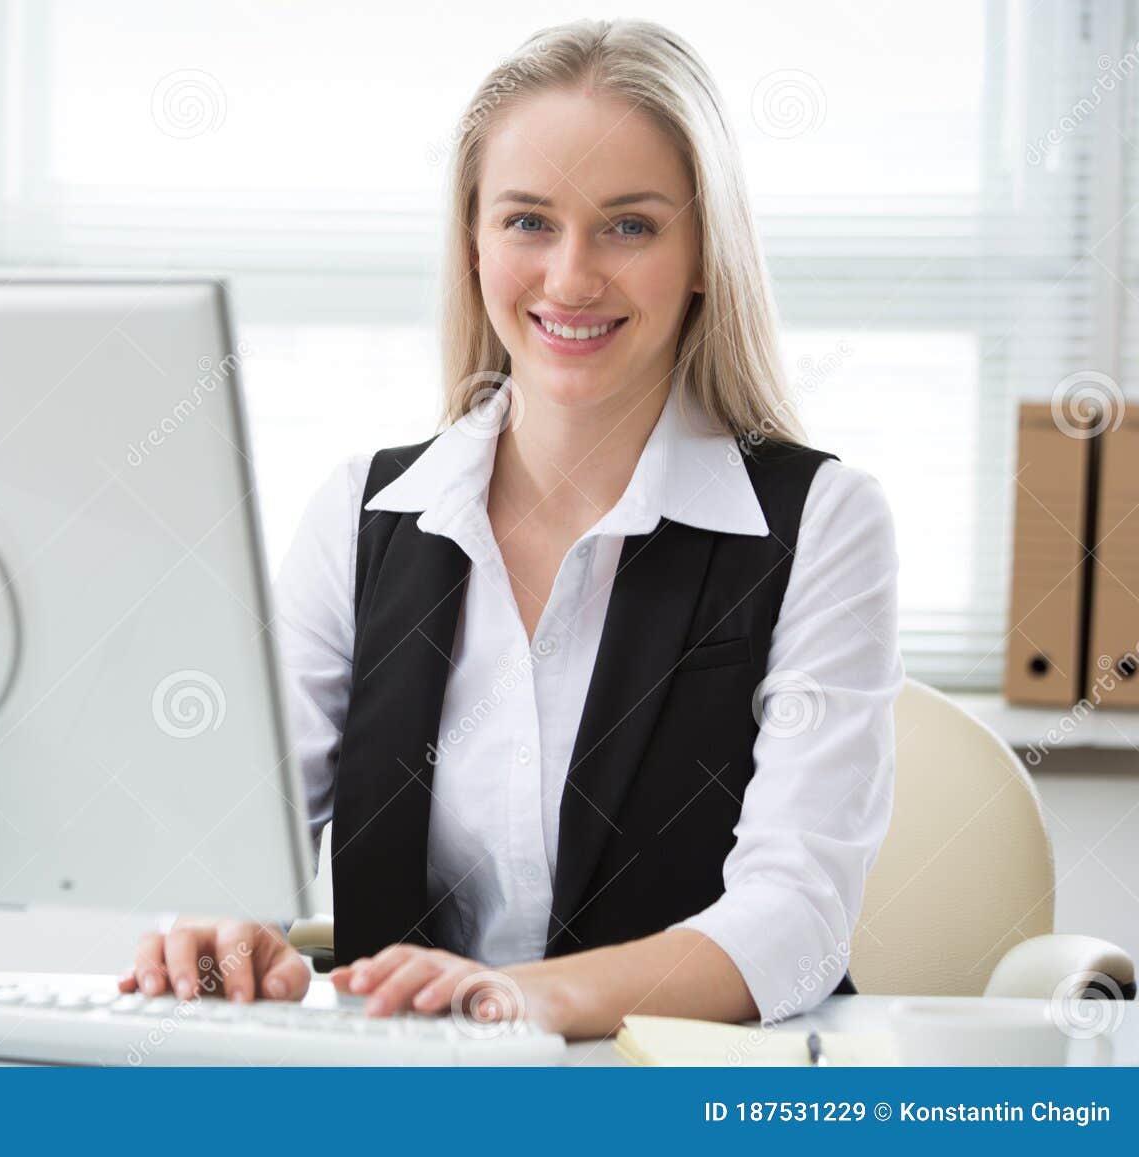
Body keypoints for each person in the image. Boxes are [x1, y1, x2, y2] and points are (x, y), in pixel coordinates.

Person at [119, 16, 903, 1041]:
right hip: (413, 1095)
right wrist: (219, 923)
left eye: (630, 226)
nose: (571, 278)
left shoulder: (820, 521)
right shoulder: (361, 515)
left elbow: (796, 921)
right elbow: (239, 842)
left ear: (703, 252)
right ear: (473, 242)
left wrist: (524, 998)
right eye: (529, 220)